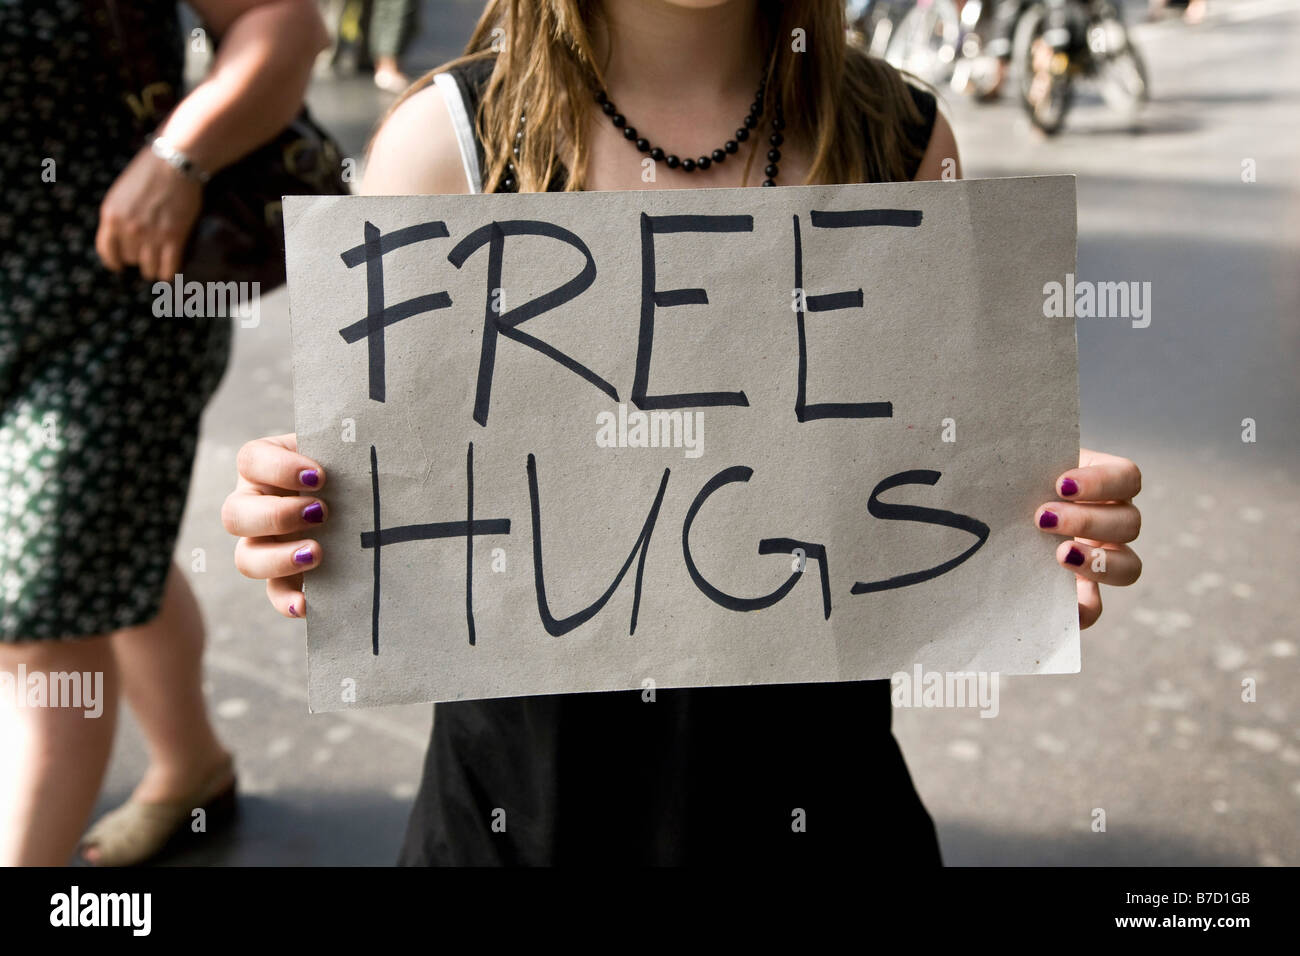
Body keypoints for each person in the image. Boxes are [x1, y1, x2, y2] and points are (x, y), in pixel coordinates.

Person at [222, 0, 1144, 865]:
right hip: (524, 818)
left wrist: (1032, 531)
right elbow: (389, 503)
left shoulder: (899, 139)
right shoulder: (447, 147)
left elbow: (934, 473)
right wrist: (305, 524)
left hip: (826, 812)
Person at [0, 0, 329, 866]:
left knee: (38, 619)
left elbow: (285, 22)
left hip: (116, 290)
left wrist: (177, 159)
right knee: (99, 549)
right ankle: (190, 768)